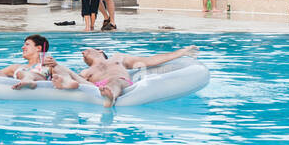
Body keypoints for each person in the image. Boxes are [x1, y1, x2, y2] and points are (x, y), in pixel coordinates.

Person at [49, 45, 199, 107]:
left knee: (114, 80)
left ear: (100, 51)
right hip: (95, 87)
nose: (82, 53)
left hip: (117, 82)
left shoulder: (118, 58)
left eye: (85, 50)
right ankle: (66, 81)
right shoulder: (85, 72)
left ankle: (111, 98)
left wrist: (182, 52)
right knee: (59, 66)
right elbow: (83, 84)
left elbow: (150, 60)